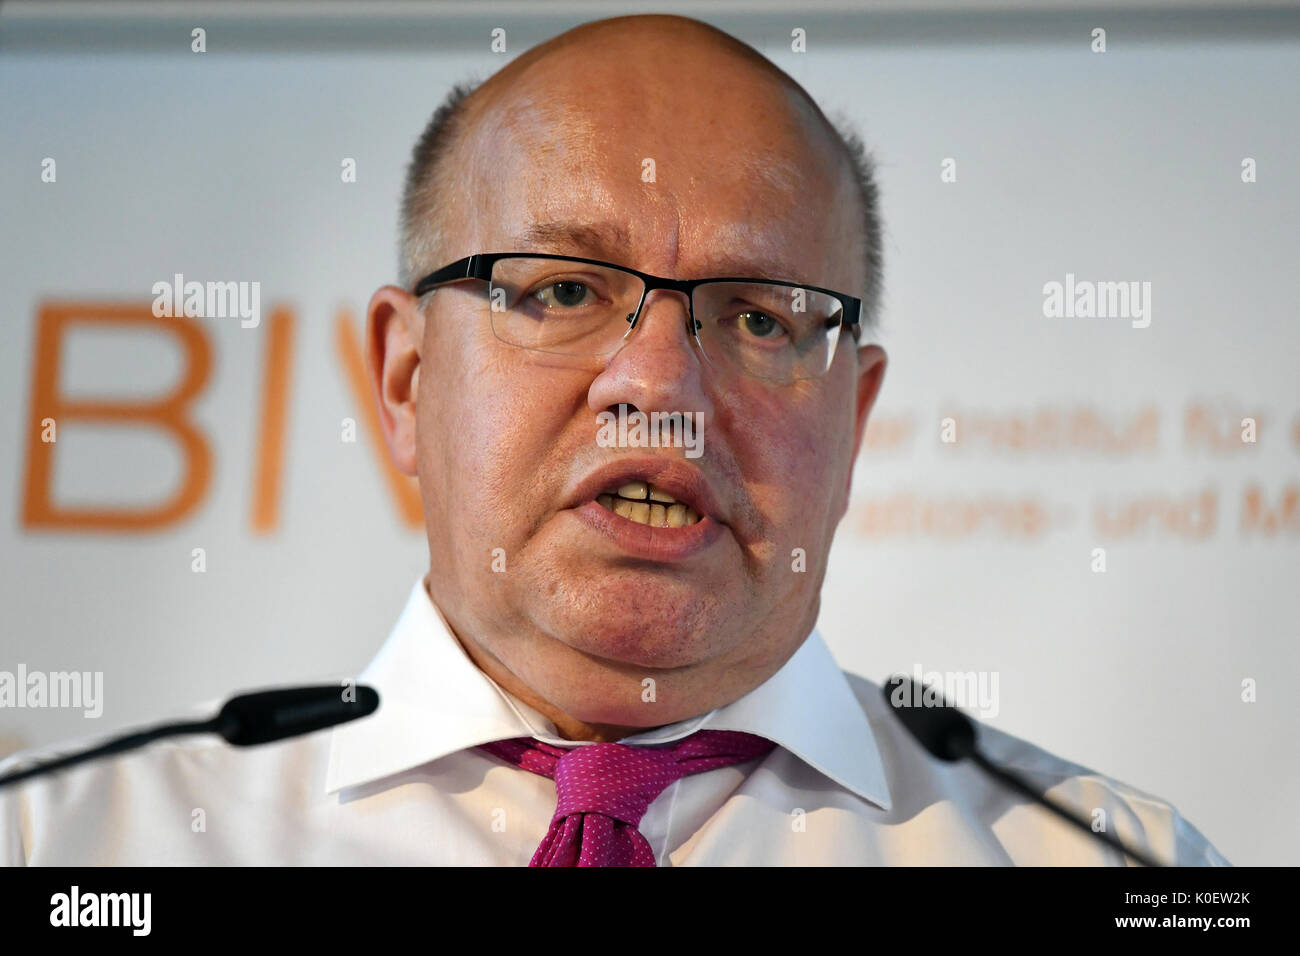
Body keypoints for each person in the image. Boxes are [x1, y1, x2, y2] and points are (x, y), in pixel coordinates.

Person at [0, 14, 1226, 866]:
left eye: (757, 315)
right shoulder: (63, 840)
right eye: (560, 292)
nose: (659, 386)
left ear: (851, 423)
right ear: (406, 376)